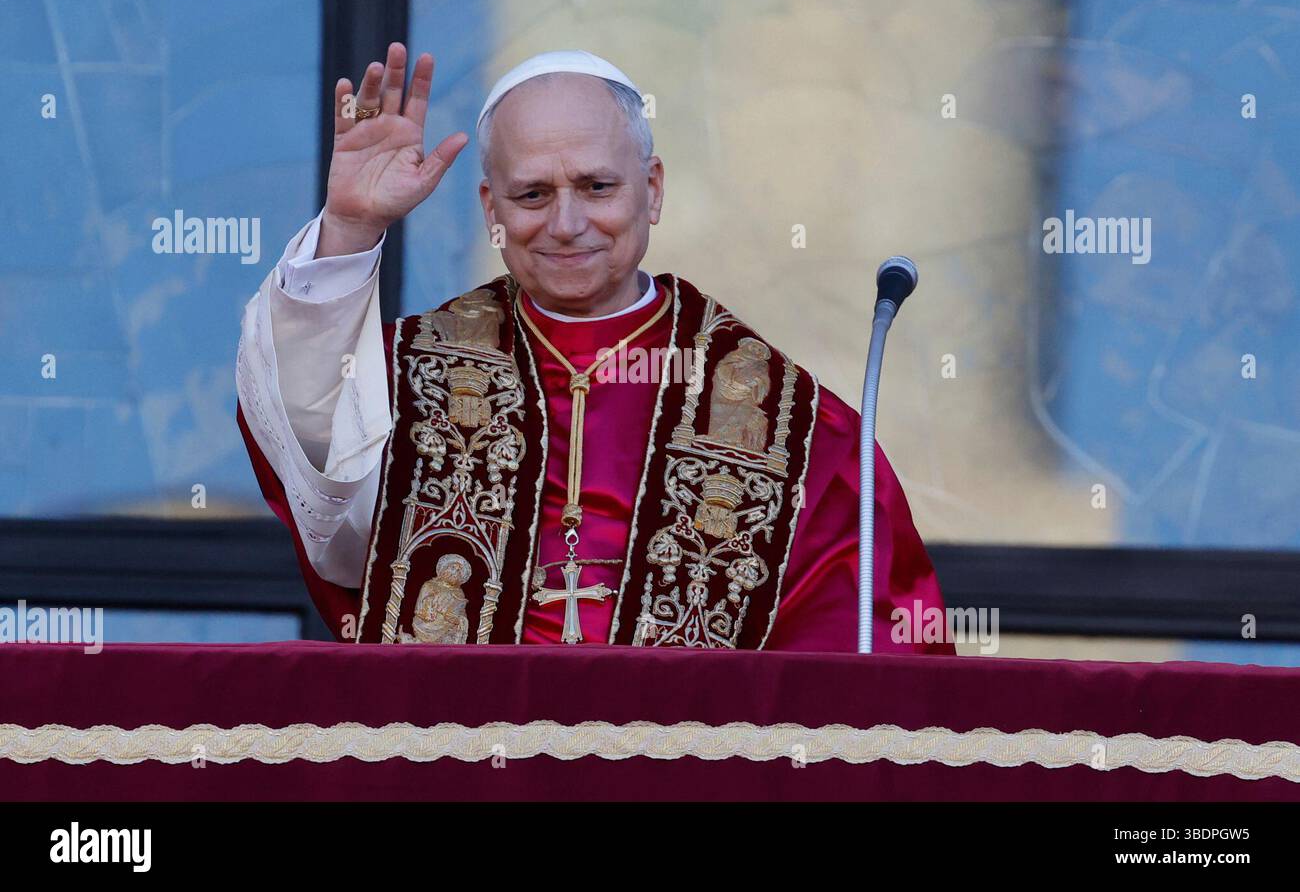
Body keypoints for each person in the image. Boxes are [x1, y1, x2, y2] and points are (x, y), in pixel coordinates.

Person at [236, 43, 953, 653]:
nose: (568, 223)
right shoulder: (407, 374)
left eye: (597, 186)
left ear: (653, 189)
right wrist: (350, 229)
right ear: (491, 209)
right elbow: (311, 455)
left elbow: (872, 658)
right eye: (532, 195)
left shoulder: (789, 422)